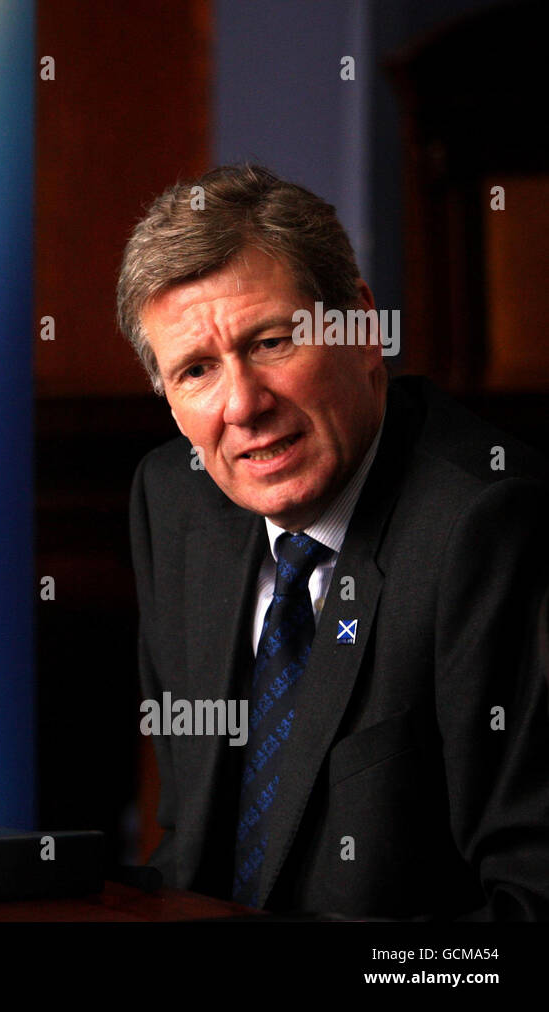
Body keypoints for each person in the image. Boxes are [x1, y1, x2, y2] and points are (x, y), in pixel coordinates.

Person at [118, 163, 549, 919]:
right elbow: (190, 843)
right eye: (195, 371)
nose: (243, 405)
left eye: (273, 342)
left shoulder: (488, 527)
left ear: (362, 329)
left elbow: (530, 904)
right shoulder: (175, 501)